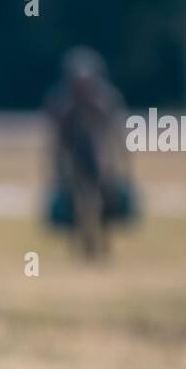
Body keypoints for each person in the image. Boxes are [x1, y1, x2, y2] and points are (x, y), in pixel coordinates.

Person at [44, 47, 127, 259]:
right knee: (77, 204)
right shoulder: (64, 106)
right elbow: (57, 142)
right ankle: (81, 246)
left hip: (99, 158)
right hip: (75, 159)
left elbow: (114, 135)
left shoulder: (105, 101)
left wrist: (119, 165)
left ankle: (104, 244)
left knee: (105, 202)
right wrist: (57, 169)